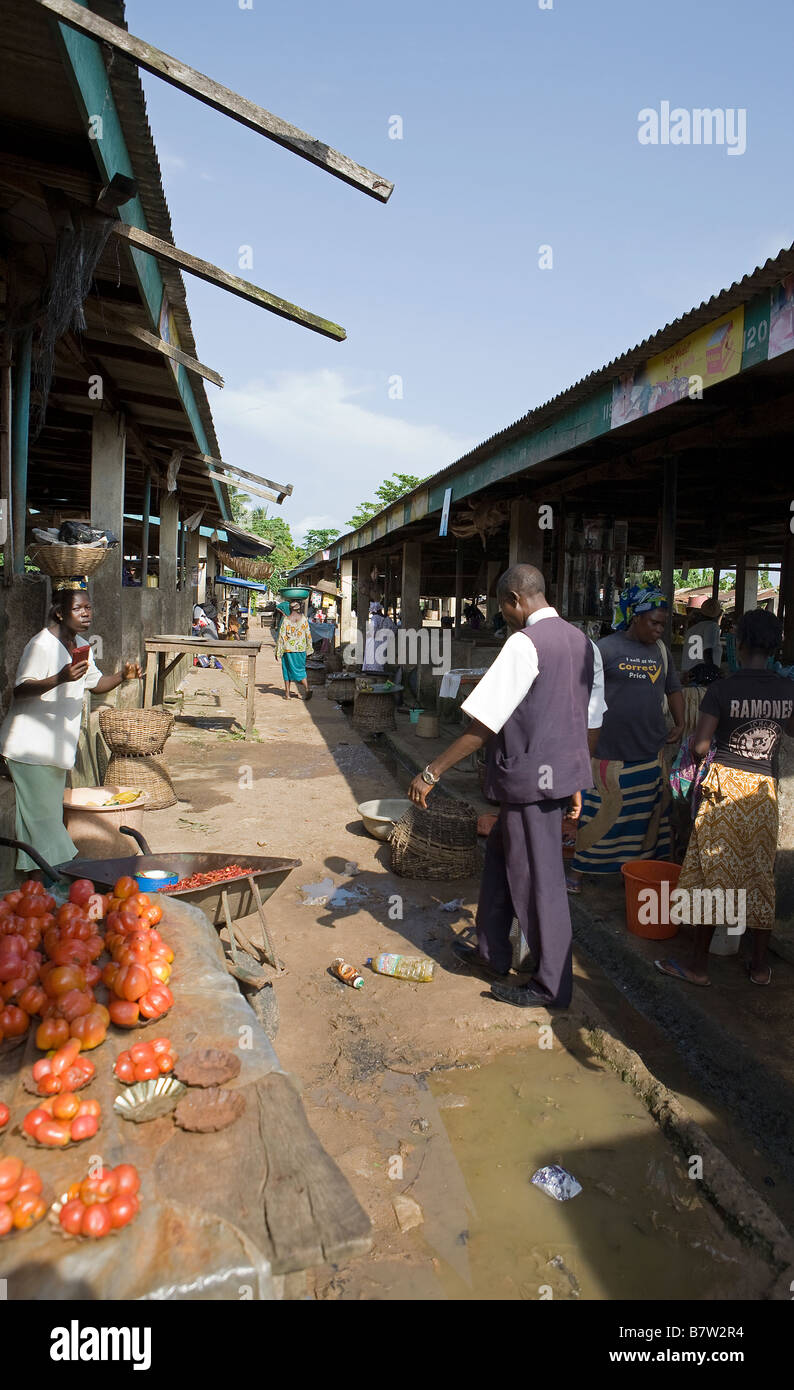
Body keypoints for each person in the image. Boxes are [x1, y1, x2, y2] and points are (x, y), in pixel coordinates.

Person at [408, 564, 604, 1009]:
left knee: (540, 881)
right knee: (499, 861)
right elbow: (590, 720)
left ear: (515, 599)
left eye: (503, 607)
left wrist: (433, 770)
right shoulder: (584, 645)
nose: (505, 616)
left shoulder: (525, 644)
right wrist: (576, 778)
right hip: (551, 778)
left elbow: (484, 723)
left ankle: (551, 984)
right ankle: (491, 951)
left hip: (529, 783)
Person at [657, 609, 794, 989]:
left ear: (742, 643)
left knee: (708, 876)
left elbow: (700, 746)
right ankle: (760, 967)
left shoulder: (723, 689)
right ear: (775, 645)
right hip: (762, 790)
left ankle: (699, 967)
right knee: (759, 875)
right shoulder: (787, 690)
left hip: (725, 788)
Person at [0, 579, 143, 872]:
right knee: (43, 821)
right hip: (29, 749)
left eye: (89, 608)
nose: (86, 613)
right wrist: (60, 678)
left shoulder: (80, 646)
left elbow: (96, 683)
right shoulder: (41, 645)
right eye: (78, 608)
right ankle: (68, 872)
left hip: (53, 751)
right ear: (60, 613)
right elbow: (21, 689)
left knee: (44, 819)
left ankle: (43, 881)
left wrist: (122, 676)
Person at [570, 585, 684, 880]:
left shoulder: (661, 651)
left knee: (642, 819)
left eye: (663, 624)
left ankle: (633, 872)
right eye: (654, 623)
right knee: (598, 815)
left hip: (649, 751)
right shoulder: (604, 649)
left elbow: (673, 689)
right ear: (635, 617)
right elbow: (580, 693)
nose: (660, 629)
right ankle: (580, 872)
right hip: (608, 752)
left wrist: (681, 722)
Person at [275, 599, 313, 701]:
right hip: (301, 650)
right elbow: (308, 635)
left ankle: (287, 694)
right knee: (301, 670)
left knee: (286, 670)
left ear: (289, 609)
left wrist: (278, 652)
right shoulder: (304, 619)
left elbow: (281, 637)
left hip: (288, 650)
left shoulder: (286, 620)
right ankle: (307, 688)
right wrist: (309, 650)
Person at [681, 597, 722, 685]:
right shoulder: (712, 626)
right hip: (700, 677)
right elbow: (707, 650)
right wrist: (712, 674)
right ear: (718, 614)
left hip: (688, 675)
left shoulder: (692, 629)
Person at [363, 601, 396, 675]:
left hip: (374, 644)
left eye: (372, 612)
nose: (372, 614)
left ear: (375, 611)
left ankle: (372, 674)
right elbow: (394, 630)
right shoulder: (387, 619)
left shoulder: (375, 618)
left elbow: (372, 632)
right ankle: (379, 675)